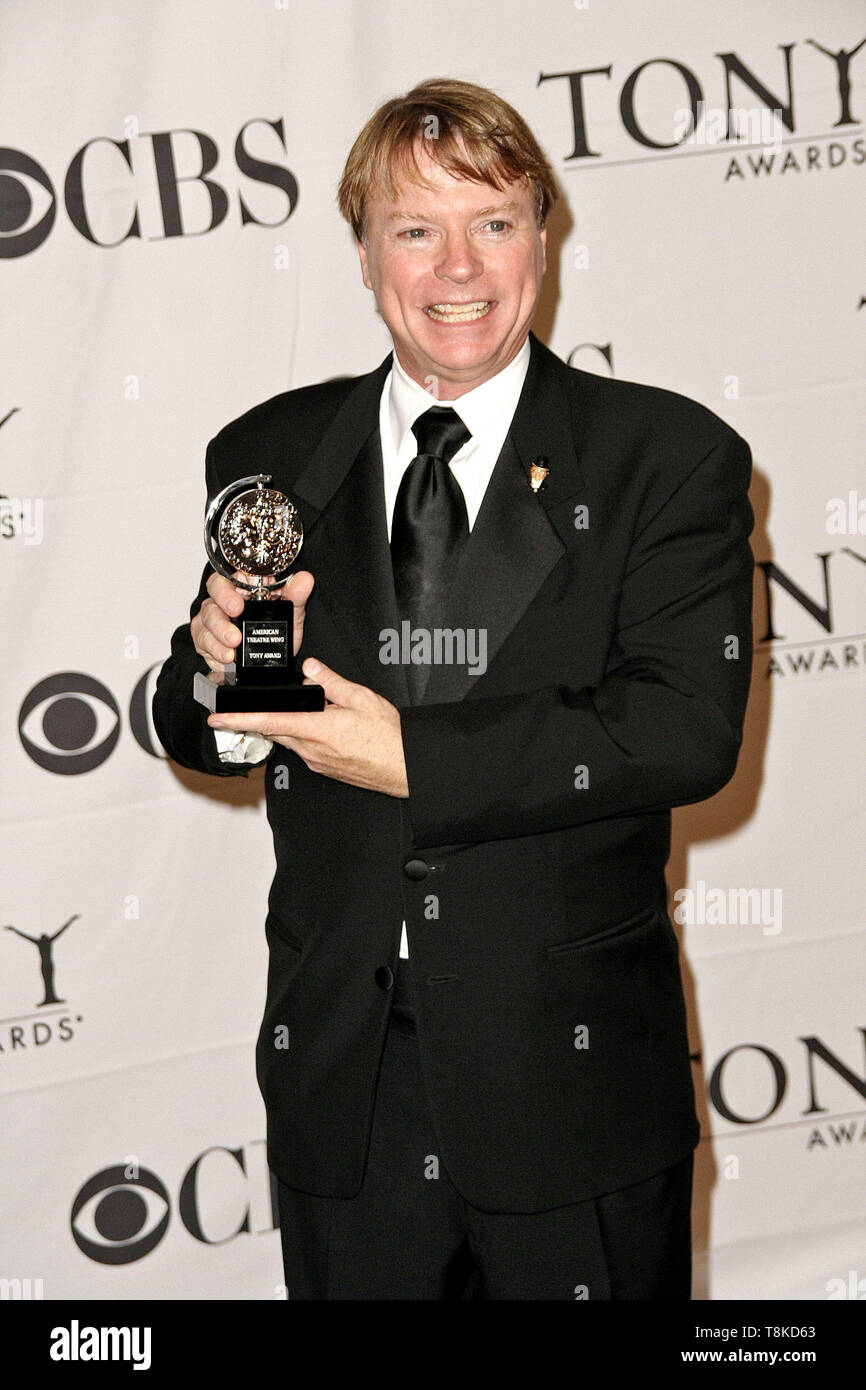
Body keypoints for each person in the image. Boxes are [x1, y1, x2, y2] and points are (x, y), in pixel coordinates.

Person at [153, 78, 754, 1300]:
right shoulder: (266, 452)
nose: (456, 266)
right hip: (347, 1087)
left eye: (491, 221)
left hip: (567, 1084)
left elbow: (685, 728)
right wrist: (211, 669)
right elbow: (201, 717)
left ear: (545, 233)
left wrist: (415, 759)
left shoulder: (665, 456)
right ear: (365, 252)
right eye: (413, 228)